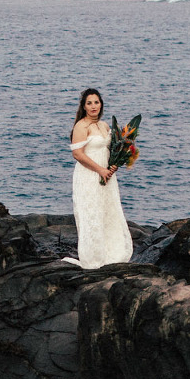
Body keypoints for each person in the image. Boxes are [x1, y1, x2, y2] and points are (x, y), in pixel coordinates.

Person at [68, 88, 133, 269]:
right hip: (89, 175)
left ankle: (112, 253)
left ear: (101, 104)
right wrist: (100, 170)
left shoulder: (104, 126)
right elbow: (77, 154)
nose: (93, 106)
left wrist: (113, 165)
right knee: (92, 212)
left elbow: (110, 150)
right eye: (89, 103)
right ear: (84, 106)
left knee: (108, 210)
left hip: (107, 175)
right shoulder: (81, 126)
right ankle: (94, 258)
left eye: (96, 102)